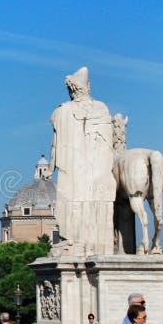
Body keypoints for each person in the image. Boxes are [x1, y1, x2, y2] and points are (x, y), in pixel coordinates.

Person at [41, 66, 115, 256]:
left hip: (73, 169)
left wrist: (51, 168)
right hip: (97, 170)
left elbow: (55, 145)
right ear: (88, 86)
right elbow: (110, 145)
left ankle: (72, 240)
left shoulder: (62, 111)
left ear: (71, 90)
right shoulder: (102, 108)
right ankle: (98, 243)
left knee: (70, 202)